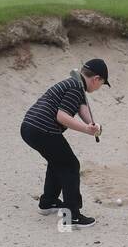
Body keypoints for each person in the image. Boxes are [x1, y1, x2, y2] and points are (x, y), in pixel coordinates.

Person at [20, 58, 109, 228]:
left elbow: (82, 108)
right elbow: (62, 116)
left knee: (58, 161)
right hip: (42, 129)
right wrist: (86, 129)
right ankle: (72, 216)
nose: (99, 88)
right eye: (102, 84)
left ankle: (49, 202)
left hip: (29, 127)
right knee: (70, 165)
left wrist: (94, 126)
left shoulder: (74, 85)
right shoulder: (76, 88)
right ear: (96, 79)